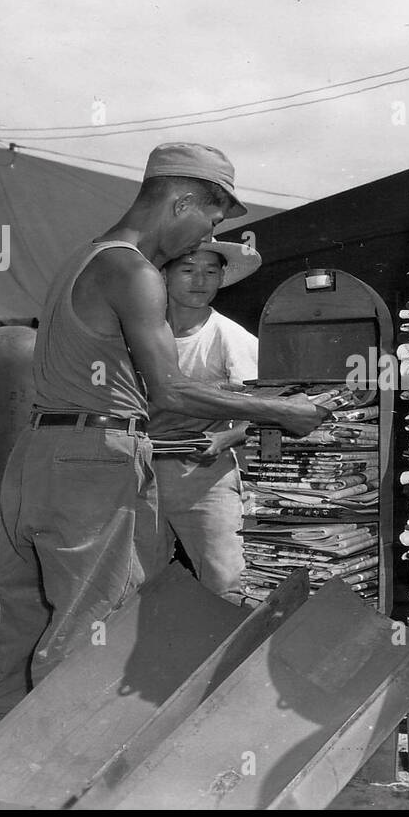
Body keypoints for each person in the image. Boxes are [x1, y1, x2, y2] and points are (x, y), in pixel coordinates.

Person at [0, 142, 323, 741]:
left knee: (27, 620)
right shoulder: (134, 270)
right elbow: (170, 389)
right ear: (183, 201)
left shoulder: (87, 257)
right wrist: (276, 410)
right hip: (92, 463)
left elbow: (122, 387)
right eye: (212, 216)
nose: (208, 232)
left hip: (40, 456)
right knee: (92, 628)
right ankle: (61, 774)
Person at [152, 238, 261, 606]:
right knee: (132, 581)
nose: (199, 280)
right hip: (138, 470)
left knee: (227, 580)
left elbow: (266, 411)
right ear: (164, 276)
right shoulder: (142, 333)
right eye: (187, 270)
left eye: (210, 271)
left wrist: (226, 438)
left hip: (203, 474)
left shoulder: (231, 337)